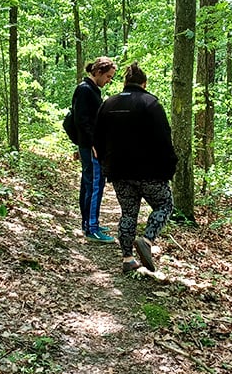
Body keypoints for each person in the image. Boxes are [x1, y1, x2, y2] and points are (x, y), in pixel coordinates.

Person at [93, 62, 177, 273]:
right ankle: (147, 239)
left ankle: (127, 258)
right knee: (165, 204)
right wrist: (170, 168)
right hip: (149, 173)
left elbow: (97, 139)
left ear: (125, 82)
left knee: (128, 213)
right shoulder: (151, 103)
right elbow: (164, 139)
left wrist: (106, 165)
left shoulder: (108, 104)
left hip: (119, 172)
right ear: (144, 83)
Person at [71, 56, 117, 242]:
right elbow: (81, 120)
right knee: (95, 185)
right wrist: (92, 144)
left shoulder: (91, 89)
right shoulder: (84, 90)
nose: (109, 80)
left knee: (89, 184)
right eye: (108, 76)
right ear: (97, 72)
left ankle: (89, 223)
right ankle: (92, 228)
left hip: (91, 146)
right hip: (91, 148)